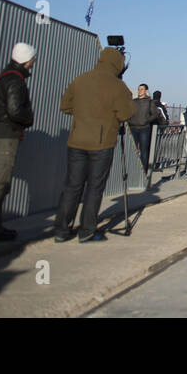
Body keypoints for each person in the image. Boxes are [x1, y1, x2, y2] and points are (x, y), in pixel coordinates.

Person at [54, 47, 135, 243]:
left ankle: (62, 230)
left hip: (76, 140)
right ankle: (87, 231)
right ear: (119, 65)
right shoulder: (118, 86)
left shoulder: (81, 79)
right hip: (102, 143)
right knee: (94, 187)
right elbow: (126, 114)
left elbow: (65, 106)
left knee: (72, 185)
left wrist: (84, 113)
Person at [0, 42, 37, 241]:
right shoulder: (15, 80)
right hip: (5, 135)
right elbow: (15, 110)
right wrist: (28, 118)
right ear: (26, 60)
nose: (33, 62)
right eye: (32, 59)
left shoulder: (2, 77)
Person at [129, 83, 166, 177]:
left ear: (146, 91)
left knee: (144, 150)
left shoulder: (149, 102)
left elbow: (155, 113)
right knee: (132, 150)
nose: (139, 91)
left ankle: (143, 171)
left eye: (141, 89)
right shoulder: (133, 101)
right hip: (133, 127)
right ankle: (132, 170)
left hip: (144, 128)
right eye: (138, 89)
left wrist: (146, 120)